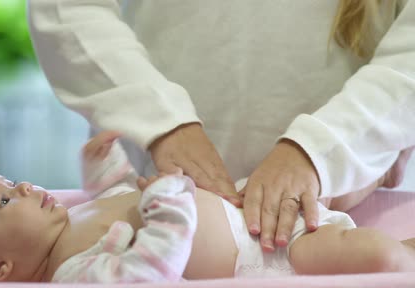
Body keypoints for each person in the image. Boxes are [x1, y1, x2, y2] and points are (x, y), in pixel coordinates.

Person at [27, 0, 415, 252]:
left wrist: (333, 148)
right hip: (149, 170)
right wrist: (159, 122)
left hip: (336, 202)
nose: (23, 187)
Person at [0, 131, 415, 283]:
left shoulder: (73, 222)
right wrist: (171, 200)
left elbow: (125, 196)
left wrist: (104, 171)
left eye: (11, 182)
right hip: (271, 254)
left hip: (250, 208)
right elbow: (151, 268)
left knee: (347, 216)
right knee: (377, 258)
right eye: (4, 199)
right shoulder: (70, 276)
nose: (23, 186)